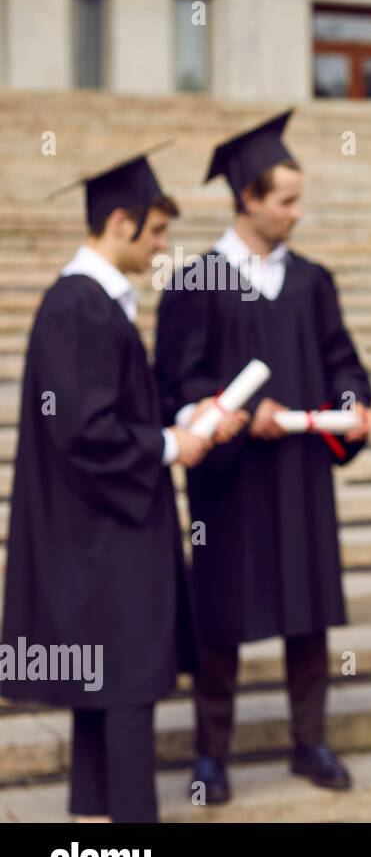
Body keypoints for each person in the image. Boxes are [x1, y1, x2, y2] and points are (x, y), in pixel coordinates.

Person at [0, 150, 244, 822]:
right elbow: (86, 433)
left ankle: (93, 843)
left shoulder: (88, 303)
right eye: (157, 231)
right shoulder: (79, 307)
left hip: (102, 542)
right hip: (102, 551)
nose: (165, 246)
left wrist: (181, 420)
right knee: (126, 698)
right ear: (120, 222)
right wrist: (173, 443)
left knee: (100, 702)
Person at [154, 110, 371, 803]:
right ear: (248, 197)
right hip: (231, 482)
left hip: (301, 473)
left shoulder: (312, 282)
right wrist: (241, 414)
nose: (296, 213)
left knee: (306, 609)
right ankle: (210, 753)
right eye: (285, 200)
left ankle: (310, 740)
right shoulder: (196, 281)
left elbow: (343, 361)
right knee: (221, 615)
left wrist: (354, 404)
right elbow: (176, 382)